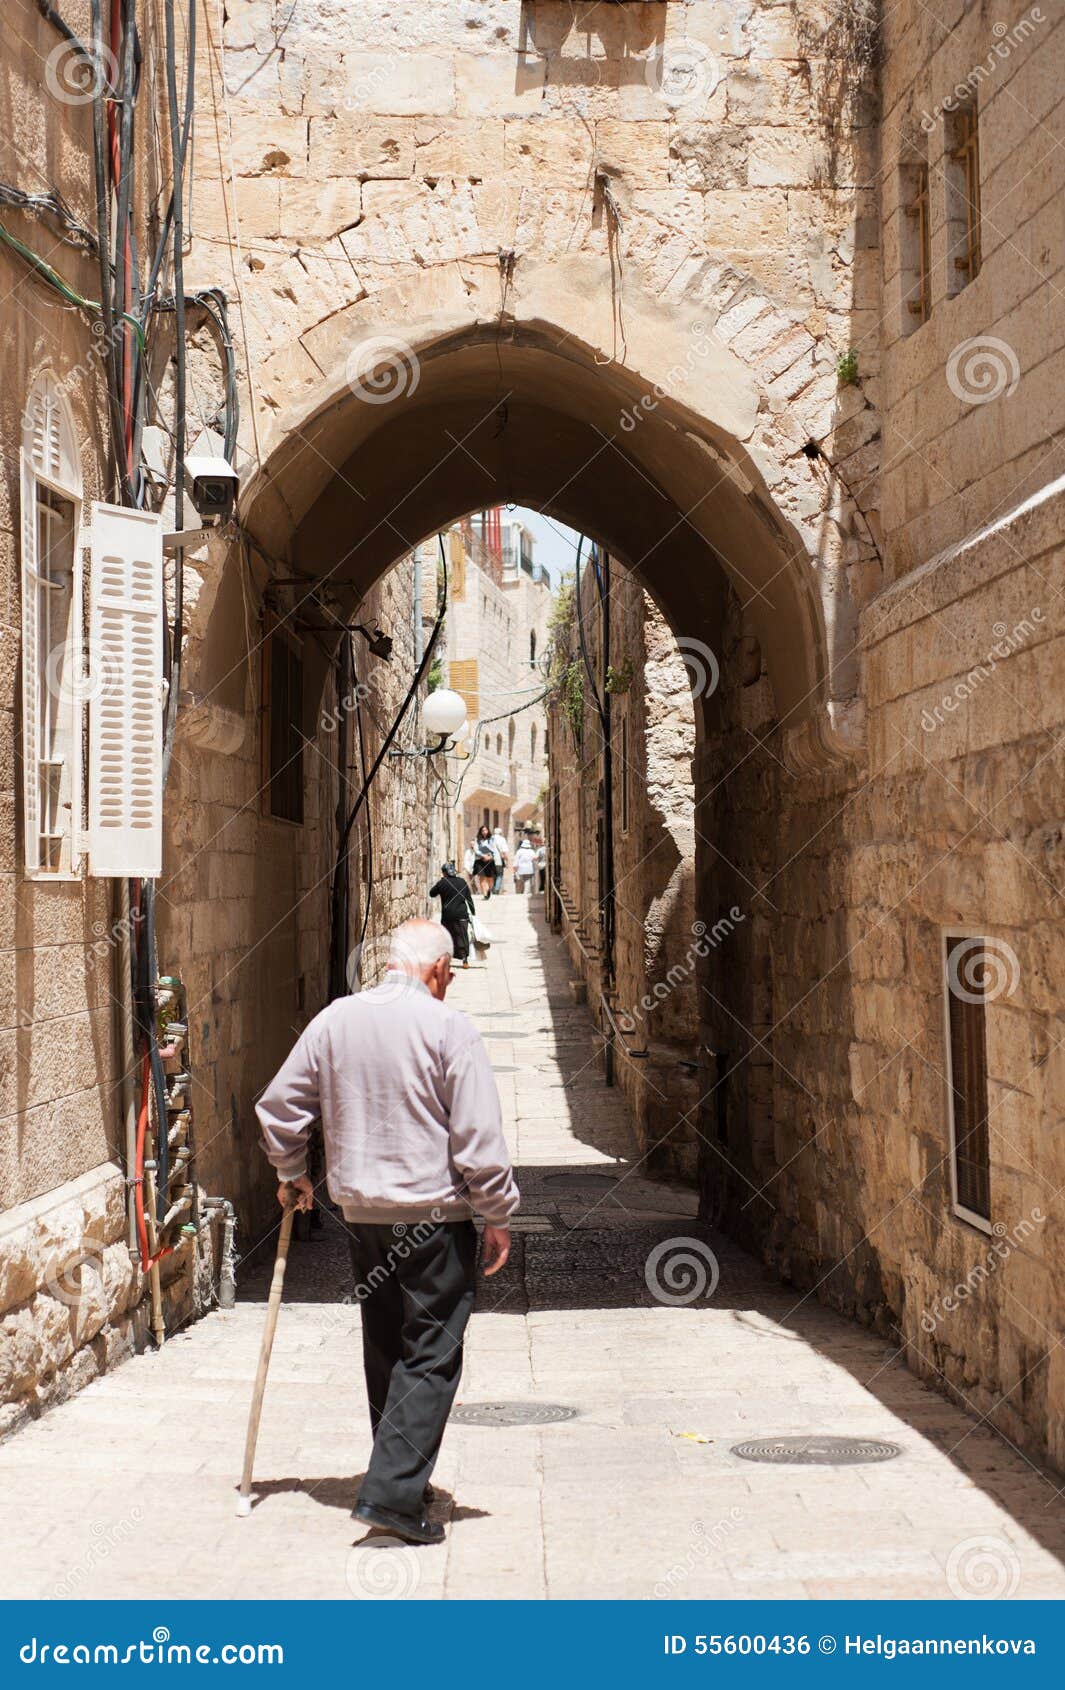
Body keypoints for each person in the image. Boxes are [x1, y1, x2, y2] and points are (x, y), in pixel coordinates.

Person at [256, 919, 519, 1548]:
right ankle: (393, 1498)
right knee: (431, 1351)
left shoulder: (334, 1021)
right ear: (438, 969)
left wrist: (292, 1171)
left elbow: (279, 1108)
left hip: (364, 1216)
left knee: (386, 1345)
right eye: (449, 975)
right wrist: (497, 1212)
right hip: (434, 1217)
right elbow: (477, 1138)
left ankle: (398, 1472)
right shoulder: (449, 1029)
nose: (448, 985)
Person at [429, 861, 475, 967]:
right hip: (462, 915)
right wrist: (473, 912)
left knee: (447, 936)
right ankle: (465, 960)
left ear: (445, 872)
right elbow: (469, 899)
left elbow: (432, 893)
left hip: (447, 915)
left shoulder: (442, 883)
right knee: (462, 936)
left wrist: (441, 884)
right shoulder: (462, 882)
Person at [471, 824, 496, 899]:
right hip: (480, 860)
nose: (484, 832)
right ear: (480, 832)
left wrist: (490, 856)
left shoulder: (491, 839)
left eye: (486, 830)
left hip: (489, 860)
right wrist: (483, 856)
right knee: (481, 877)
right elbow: (476, 849)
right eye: (483, 830)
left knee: (490, 878)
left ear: (488, 831)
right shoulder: (477, 840)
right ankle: (485, 895)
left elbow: (494, 849)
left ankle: (488, 890)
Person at [489, 825, 509, 894]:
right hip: (498, 860)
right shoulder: (502, 839)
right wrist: (507, 860)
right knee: (499, 874)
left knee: (493, 875)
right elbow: (504, 851)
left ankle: (492, 888)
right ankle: (496, 889)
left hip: (490, 860)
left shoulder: (490, 839)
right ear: (500, 833)